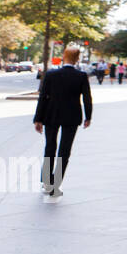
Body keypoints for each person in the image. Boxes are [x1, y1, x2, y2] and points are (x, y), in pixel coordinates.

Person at [33, 46, 93, 198]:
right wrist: (88, 116)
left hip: (51, 115)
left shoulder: (51, 74)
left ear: (63, 57)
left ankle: (46, 182)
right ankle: (56, 184)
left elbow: (43, 97)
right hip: (72, 116)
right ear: (77, 58)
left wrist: (38, 119)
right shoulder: (81, 76)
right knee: (64, 151)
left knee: (50, 147)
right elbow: (87, 98)